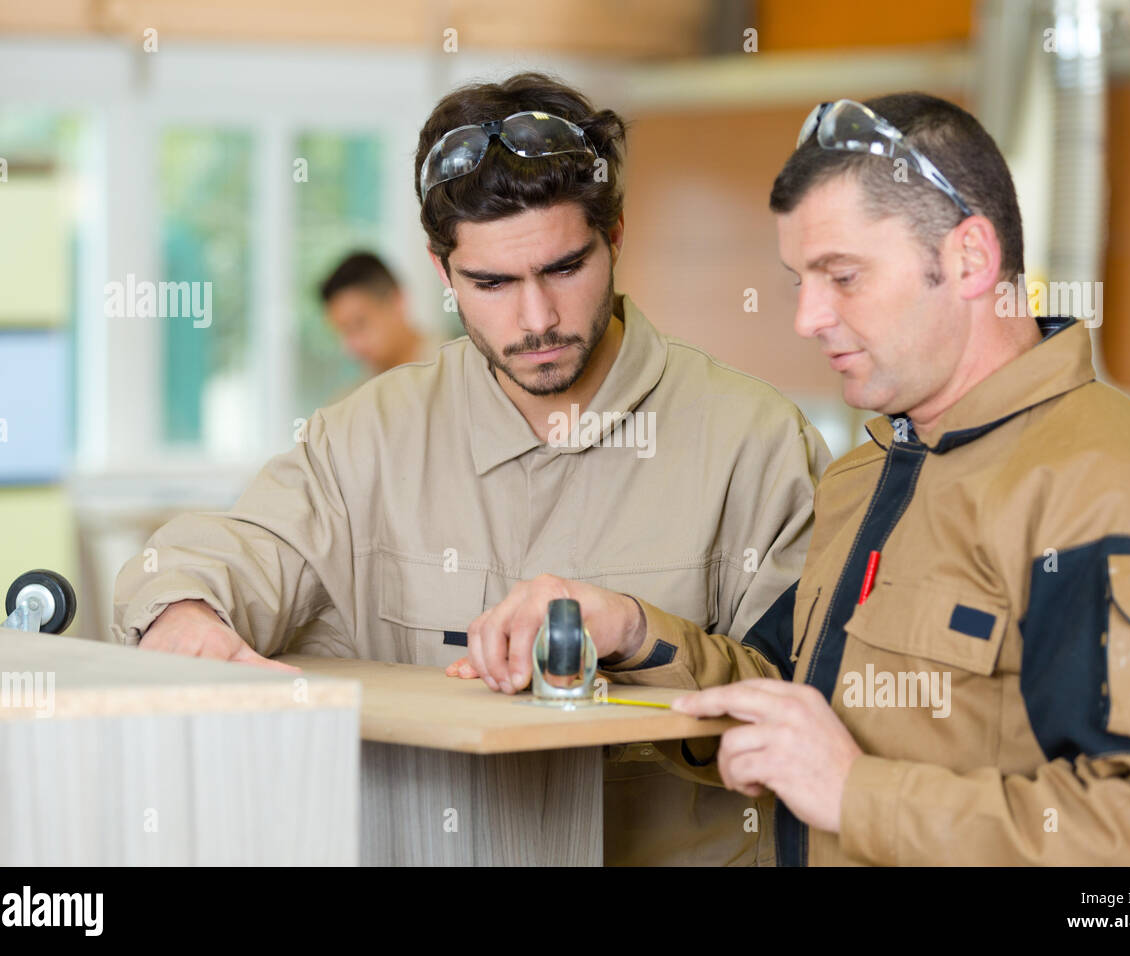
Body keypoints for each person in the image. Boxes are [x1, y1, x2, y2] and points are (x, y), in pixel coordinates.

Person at [460, 92, 1130, 865]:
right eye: (799, 280)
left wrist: (854, 793)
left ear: (969, 257)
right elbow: (777, 693)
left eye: (842, 277)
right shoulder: (868, 471)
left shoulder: (1116, 487)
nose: (807, 318)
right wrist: (631, 632)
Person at [110, 72, 831, 867]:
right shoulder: (367, 438)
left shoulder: (758, 442)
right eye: (491, 283)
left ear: (616, 235)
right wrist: (180, 610)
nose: (537, 320)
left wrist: (636, 632)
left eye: (564, 268)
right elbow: (228, 553)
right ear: (442, 272)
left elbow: (804, 719)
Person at [320, 252, 435, 377]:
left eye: (359, 325)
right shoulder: (361, 393)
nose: (352, 347)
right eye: (343, 332)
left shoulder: (453, 369)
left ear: (396, 302)